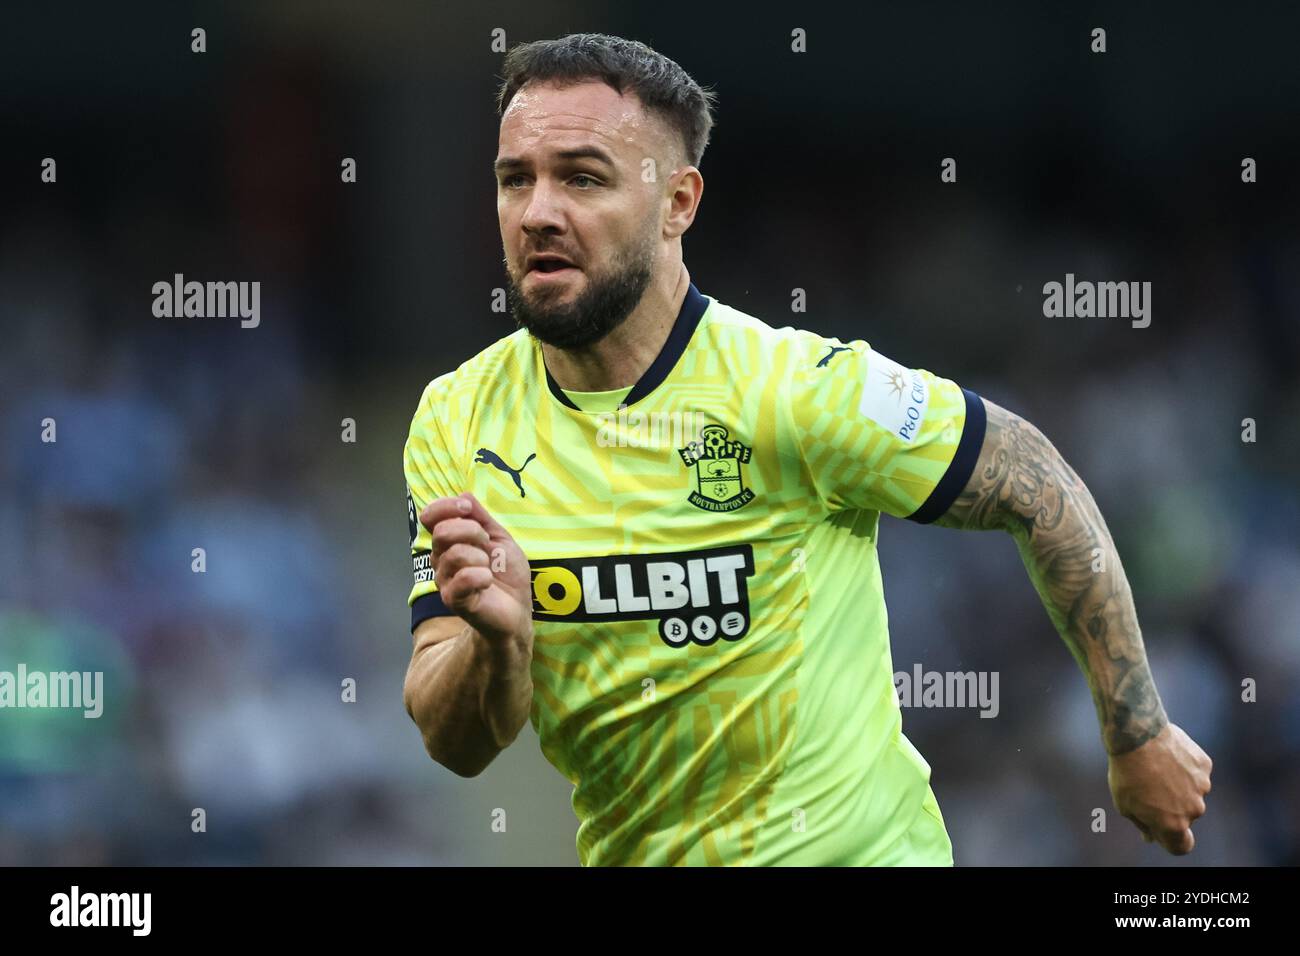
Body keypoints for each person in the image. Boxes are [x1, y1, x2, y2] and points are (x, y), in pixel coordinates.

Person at [401, 32, 1212, 865]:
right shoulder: (457, 420)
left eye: (582, 178)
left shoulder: (798, 390)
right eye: (515, 179)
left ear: (678, 203)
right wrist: (498, 646)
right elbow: (454, 743)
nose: (537, 212)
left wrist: (1137, 733)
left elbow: (1035, 479)